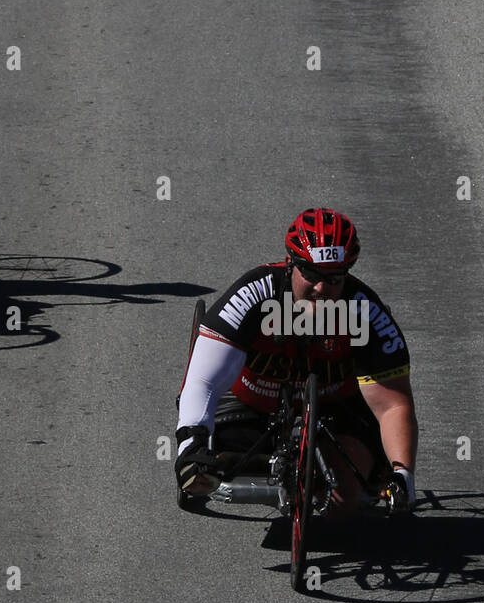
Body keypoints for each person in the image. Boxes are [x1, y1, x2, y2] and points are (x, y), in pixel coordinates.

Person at [175, 208, 418, 518]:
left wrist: (403, 474)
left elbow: (394, 406)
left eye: (334, 278)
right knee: (204, 464)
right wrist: (191, 445)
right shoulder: (256, 293)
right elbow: (203, 381)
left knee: (346, 501)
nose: (321, 289)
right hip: (250, 403)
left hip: (334, 411)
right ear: (291, 264)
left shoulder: (366, 313)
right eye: (312, 275)